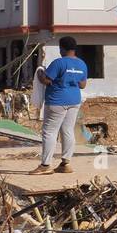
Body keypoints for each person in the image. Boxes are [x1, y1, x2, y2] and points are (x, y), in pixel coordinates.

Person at [31, 37, 88, 175]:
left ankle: (45, 165)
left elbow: (46, 80)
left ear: (61, 48)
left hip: (57, 101)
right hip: (74, 100)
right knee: (67, 130)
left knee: (49, 132)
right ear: (74, 48)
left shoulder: (59, 63)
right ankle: (65, 164)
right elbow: (82, 85)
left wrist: (39, 73)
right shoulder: (82, 64)